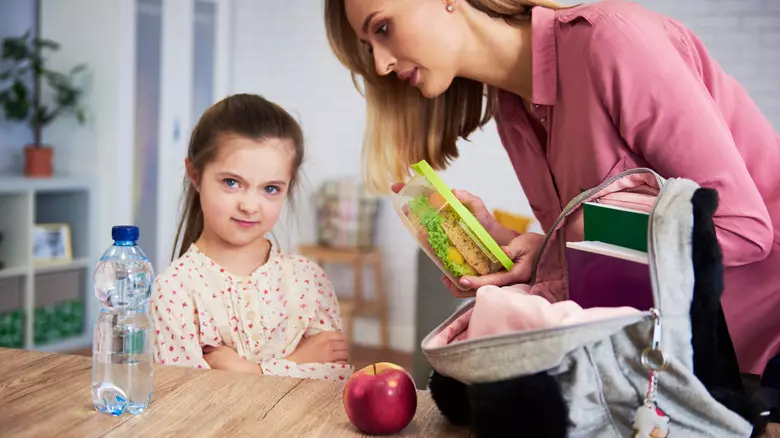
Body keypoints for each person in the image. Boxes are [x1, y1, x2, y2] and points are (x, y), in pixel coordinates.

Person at [323, 0, 780, 381]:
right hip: (687, 367)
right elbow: (602, 259)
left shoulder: (614, 42)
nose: (381, 64)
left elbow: (742, 228)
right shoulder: (512, 112)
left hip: (764, 350)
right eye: (370, 45)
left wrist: (572, 239)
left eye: (383, 28)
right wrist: (517, 248)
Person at [150, 93, 352, 381]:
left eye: (270, 189)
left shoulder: (309, 280)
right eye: (232, 183)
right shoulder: (175, 291)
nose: (249, 205)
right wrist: (298, 362)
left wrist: (251, 371)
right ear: (194, 175)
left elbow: (334, 384)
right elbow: (186, 401)